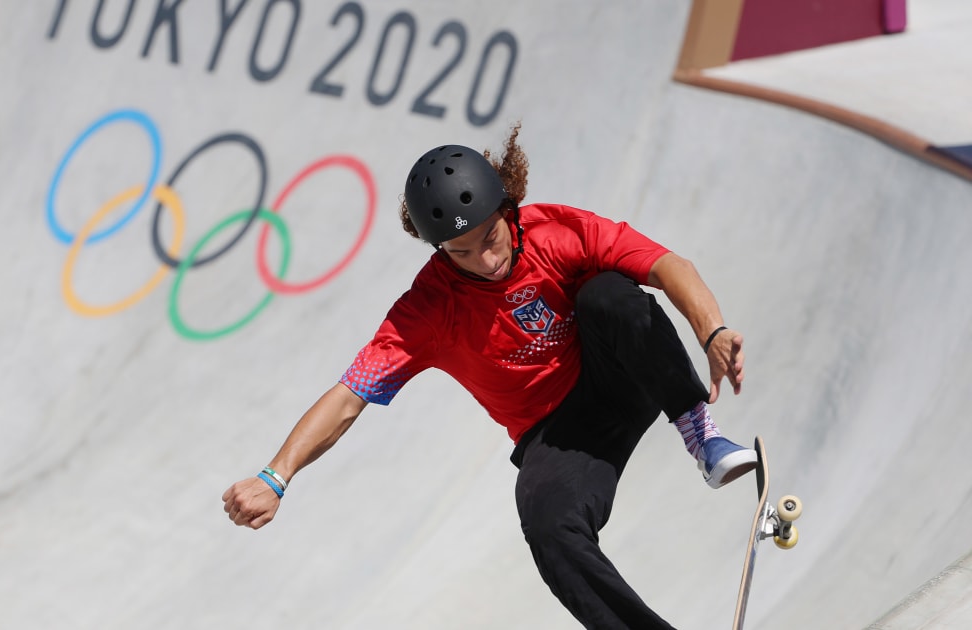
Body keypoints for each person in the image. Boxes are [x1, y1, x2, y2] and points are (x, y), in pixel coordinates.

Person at [222, 125, 755, 628]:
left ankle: (700, 435)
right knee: (549, 529)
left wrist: (712, 332)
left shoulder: (557, 231)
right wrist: (275, 476)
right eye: (461, 252)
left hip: (619, 372)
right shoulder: (428, 308)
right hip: (557, 433)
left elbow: (669, 266)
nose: (486, 260)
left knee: (611, 295)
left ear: (509, 209)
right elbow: (348, 397)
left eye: (491, 238)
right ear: (437, 251)